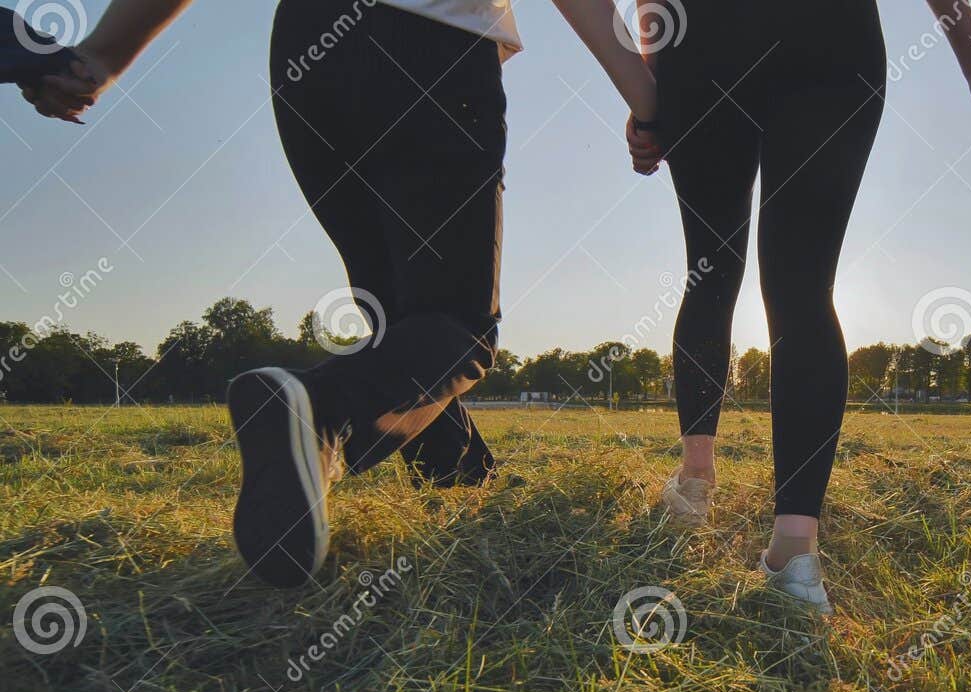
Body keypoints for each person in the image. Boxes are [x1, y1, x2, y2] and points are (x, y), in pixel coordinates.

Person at [22, 0, 660, 588]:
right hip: (429, 41)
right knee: (460, 325)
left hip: (307, 53)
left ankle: (460, 481)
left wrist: (101, 56)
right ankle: (319, 413)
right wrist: (647, 98)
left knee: (400, 315)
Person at [647, 0, 971, 613]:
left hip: (703, 36)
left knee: (711, 270)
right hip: (830, 35)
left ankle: (696, 481)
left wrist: (649, 84)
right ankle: (794, 552)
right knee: (803, 285)